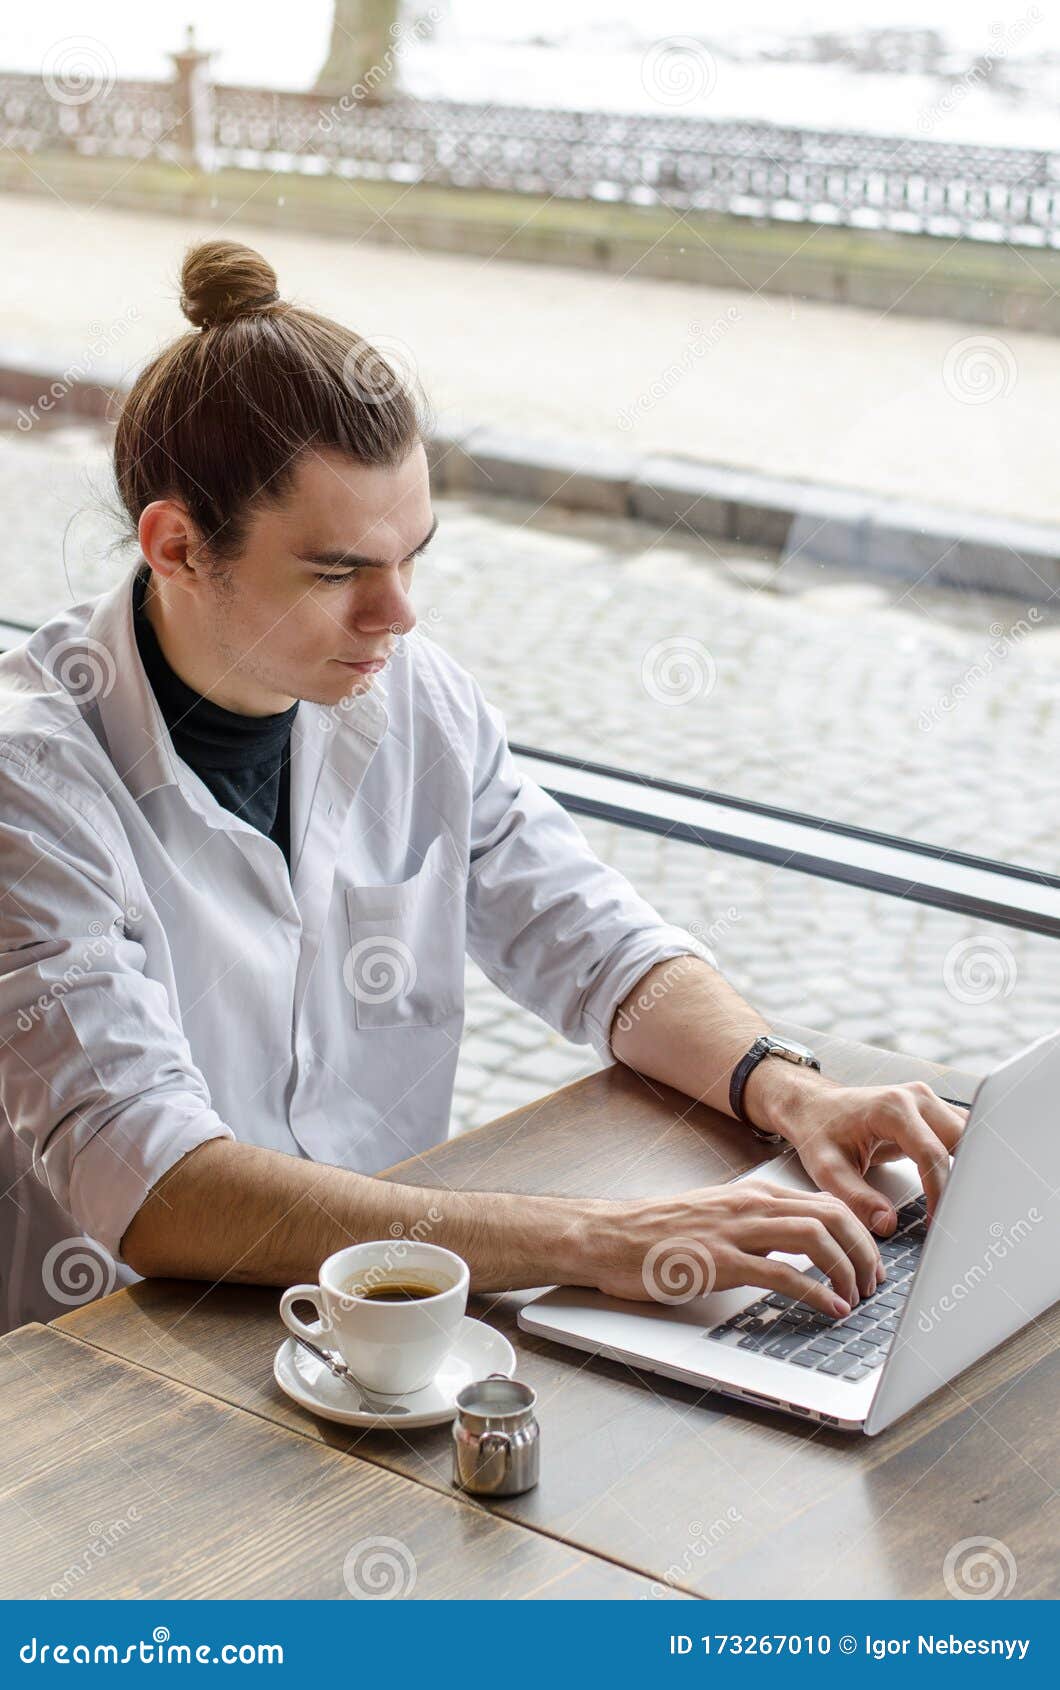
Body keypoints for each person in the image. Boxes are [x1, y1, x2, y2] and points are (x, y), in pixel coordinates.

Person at [0, 240, 966, 1333]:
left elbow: (590, 936)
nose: (397, 614)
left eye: (413, 555)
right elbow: (153, 1179)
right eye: (338, 572)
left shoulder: (409, 696)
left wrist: (788, 1086)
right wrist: (603, 1239)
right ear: (177, 547)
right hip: (122, 1369)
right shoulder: (27, 784)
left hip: (395, 1326)